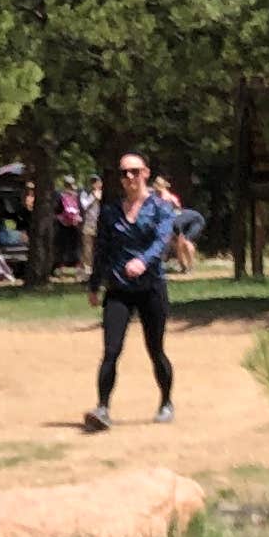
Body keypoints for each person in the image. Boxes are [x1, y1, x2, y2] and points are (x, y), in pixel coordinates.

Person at [84, 151, 180, 432]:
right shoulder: (111, 211)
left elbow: (162, 241)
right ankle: (102, 408)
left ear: (146, 173)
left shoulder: (160, 207)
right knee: (111, 350)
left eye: (135, 172)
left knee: (156, 349)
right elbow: (101, 249)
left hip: (151, 287)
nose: (129, 178)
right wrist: (94, 284)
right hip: (119, 289)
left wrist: (143, 261)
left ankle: (166, 401)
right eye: (124, 173)